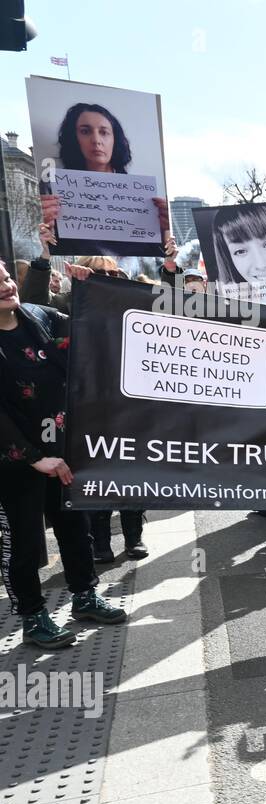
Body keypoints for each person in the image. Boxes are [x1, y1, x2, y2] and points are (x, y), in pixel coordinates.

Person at [0, 259, 127, 647]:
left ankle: (85, 597)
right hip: (16, 461)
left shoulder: (39, 318)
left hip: (62, 449)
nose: (7, 285)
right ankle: (34, 617)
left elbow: (91, 322)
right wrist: (33, 456)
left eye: (6, 277)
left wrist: (88, 286)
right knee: (23, 543)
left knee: (76, 527)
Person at [39, 102, 170, 254]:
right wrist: (43, 225)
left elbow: (166, 261)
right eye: (85, 131)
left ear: (115, 139)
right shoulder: (52, 187)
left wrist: (164, 230)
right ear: (73, 137)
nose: (96, 140)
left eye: (104, 132)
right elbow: (49, 249)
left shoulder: (144, 194)